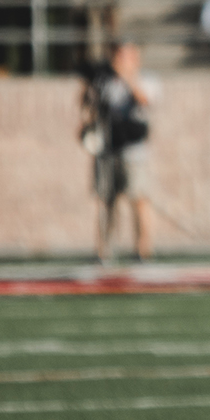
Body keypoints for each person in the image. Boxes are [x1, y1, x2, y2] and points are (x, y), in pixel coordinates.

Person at [83, 41, 157, 263]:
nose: (120, 61)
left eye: (125, 57)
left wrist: (127, 76)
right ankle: (104, 249)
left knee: (139, 198)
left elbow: (144, 99)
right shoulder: (105, 81)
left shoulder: (146, 79)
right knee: (106, 199)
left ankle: (142, 248)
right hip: (107, 147)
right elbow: (91, 105)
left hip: (134, 148)